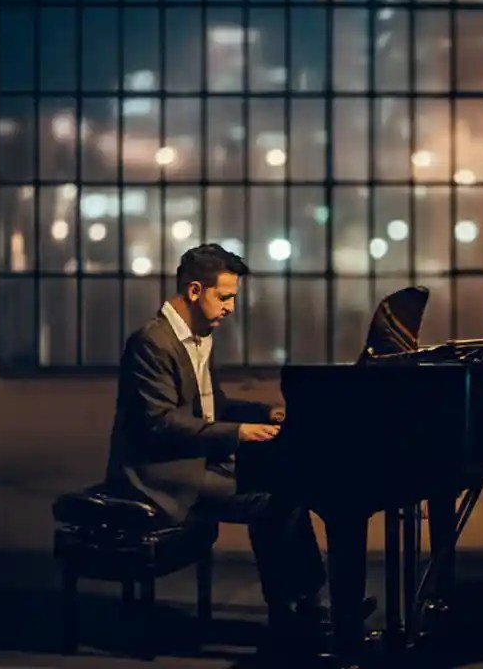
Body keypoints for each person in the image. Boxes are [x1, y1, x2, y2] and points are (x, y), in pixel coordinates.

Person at [104, 242, 327, 638]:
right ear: (194, 291)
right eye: (224, 297)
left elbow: (212, 405)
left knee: (287, 486)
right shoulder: (152, 342)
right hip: (158, 472)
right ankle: (292, 612)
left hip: (196, 460)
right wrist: (239, 434)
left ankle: (302, 606)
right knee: (273, 500)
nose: (230, 308)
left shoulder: (199, 334)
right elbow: (160, 423)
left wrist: (263, 414)